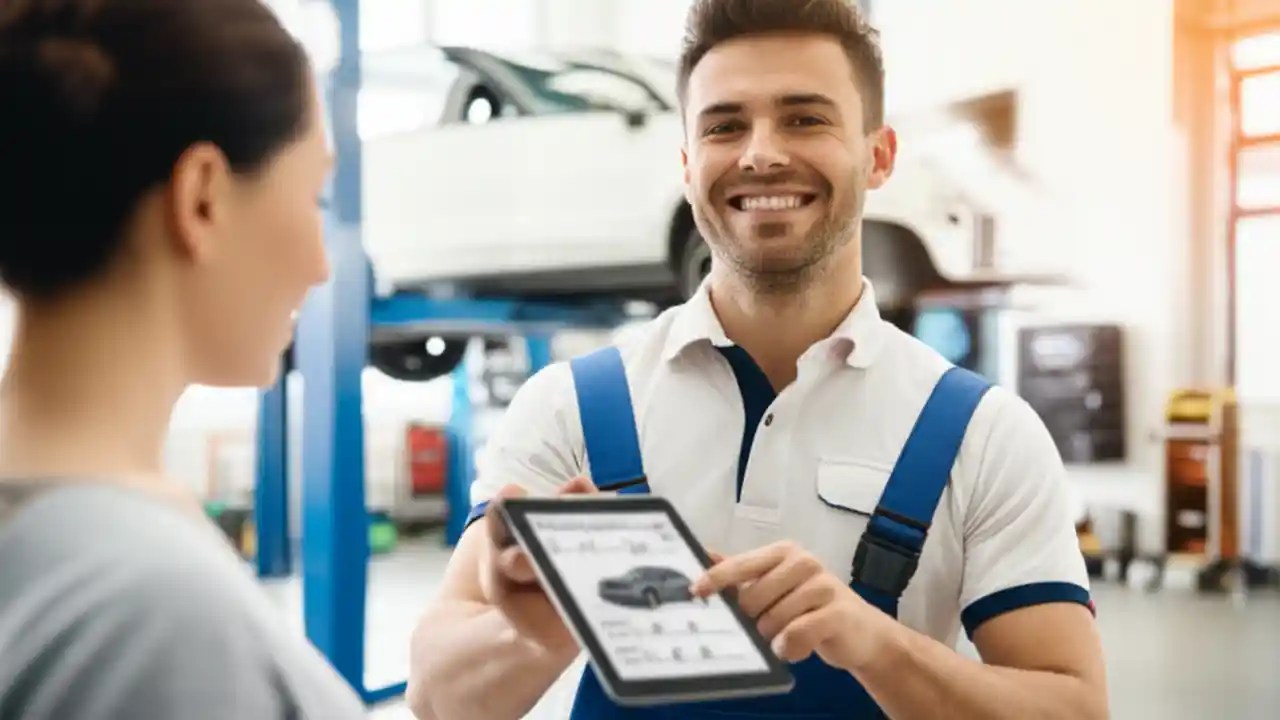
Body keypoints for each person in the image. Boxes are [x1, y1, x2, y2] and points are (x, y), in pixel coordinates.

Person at [407, 0, 1109, 718]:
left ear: (879, 156)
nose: (761, 154)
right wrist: (538, 633)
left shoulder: (983, 435)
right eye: (724, 126)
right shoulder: (569, 409)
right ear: (687, 165)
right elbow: (437, 700)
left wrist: (876, 644)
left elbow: (1074, 708)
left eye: (805, 119)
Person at [0, 0, 366, 717]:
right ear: (202, 198)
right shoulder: (151, 615)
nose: (321, 266)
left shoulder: (73, 547)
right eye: (314, 200)